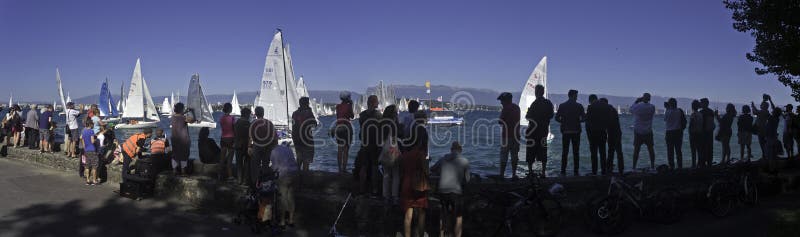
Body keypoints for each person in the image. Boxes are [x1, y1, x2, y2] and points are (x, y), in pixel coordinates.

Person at [431, 141, 469, 237]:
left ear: (451, 150)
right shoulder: (464, 161)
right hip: (456, 192)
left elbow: (432, 169)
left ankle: (442, 234)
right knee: (458, 217)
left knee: (443, 215)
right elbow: (467, 179)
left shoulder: (443, 158)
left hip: (443, 190)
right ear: (460, 150)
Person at [400, 112, 429, 237]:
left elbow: (402, 170)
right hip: (418, 185)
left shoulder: (405, 155)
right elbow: (425, 170)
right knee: (421, 213)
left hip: (406, 184)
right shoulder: (420, 155)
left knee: (408, 214)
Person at [524, 85, 554, 177]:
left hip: (533, 132)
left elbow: (528, 116)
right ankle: (543, 172)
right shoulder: (548, 103)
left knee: (530, 152)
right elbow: (551, 115)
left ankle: (530, 172)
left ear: (536, 92)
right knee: (543, 151)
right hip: (543, 131)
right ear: (543, 92)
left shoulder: (534, 103)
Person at [356, 95, 382, 196]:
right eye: (377, 102)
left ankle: (362, 188)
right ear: (374, 103)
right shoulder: (379, 115)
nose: (378, 103)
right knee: (375, 166)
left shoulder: (362, 115)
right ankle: (374, 189)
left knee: (364, 166)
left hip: (364, 143)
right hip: (375, 143)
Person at [270, 141, 299, 228]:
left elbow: (275, 167)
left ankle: (282, 221)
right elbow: (293, 161)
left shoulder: (273, 151)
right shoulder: (287, 149)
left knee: (282, 197)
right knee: (290, 197)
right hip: (293, 173)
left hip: (284, 175)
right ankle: (291, 220)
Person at [555, 89, 584, 176]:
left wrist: (563, 121)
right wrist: (578, 121)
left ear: (568, 95)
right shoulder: (579, 106)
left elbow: (556, 118)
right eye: (576, 95)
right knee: (576, 152)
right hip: (576, 131)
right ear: (574, 96)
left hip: (565, 131)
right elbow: (584, 118)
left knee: (565, 152)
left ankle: (563, 171)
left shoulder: (562, 105)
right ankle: (576, 171)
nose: (577, 97)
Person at [248, 106, 277, 189]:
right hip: (268, 146)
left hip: (257, 146)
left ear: (256, 114)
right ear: (263, 113)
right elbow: (274, 136)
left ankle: (255, 183)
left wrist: (249, 147)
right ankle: (265, 183)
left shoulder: (253, 123)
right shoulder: (269, 123)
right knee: (265, 165)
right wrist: (275, 147)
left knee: (255, 166)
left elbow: (250, 137)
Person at [380, 105, 401, 201]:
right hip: (393, 151)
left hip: (384, 151)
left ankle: (385, 195)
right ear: (393, 114)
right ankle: (394, 195)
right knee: (396, 173)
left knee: (386, 174)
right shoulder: (393, 123)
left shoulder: (381, 123)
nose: (397, 113)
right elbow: (395, 138)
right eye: (396, 112)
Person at [629, 93, 656, 171]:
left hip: (638, 132)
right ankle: (652, 166)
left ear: (643, 98)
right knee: (651, 150)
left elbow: (631, 110)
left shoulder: (638, 106)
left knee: (636, 150)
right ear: (649, 99)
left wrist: (637, 101)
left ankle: (634, 167)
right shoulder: (652, 107)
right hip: (648, 131)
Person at [498, 92, 521, 179]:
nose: (501, 103)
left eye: (502, 101)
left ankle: (501, 175)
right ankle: (514, 174)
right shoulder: (517, 108)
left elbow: (500, 121)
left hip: (506, 136)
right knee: (514, 156)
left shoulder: (506, 108)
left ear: (506, 100)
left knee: (504, 155)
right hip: (516, 136)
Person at [292, 97, 317, 171]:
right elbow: (314, 124)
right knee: (306, 160)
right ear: (307, 104)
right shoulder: (308, 113)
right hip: (306, 139)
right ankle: (305, 178)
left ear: (299, 103)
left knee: (299, 159)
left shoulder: (294, 113)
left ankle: (297, 176)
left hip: (296, 138)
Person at [585, 94, 608, 175]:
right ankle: (604, 170)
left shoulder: (590, 107)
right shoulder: (604, 106)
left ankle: (594, 171)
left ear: (591, 100)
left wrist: (588, 135)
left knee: (594, 153)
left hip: (593, 133)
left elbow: (587, 122)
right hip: (602, 132)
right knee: (603, 152)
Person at [171, 103, 194, 176]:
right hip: (183, 139)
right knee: (184, 154)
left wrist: (186, 111)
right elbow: (192, 120)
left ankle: (174, 170)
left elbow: (179, 115)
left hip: (174, 139)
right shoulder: (183, 118)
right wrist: (192, 112)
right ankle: (183, 171)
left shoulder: (173, 117)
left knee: (175, 154)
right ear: (181, 109)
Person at [602, 98, 624, 174]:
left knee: (611, 151)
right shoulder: (612, 109)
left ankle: (609, 168)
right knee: (618, 152)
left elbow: (608, 123)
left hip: (613, 134)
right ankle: (621, 169)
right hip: (617, 133)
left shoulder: (608, 111)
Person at [334, 92, 355, 173]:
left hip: (338, 128)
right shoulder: (349, 106)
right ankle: (344, 169)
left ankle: (339, 169)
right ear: (348, 98)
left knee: (339, 149)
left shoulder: (338, 106)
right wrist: (351, 105)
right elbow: (352, 116)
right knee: (346, 150)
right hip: (346, 128)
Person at [664, 98, 686, 169]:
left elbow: (665, 119)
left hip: (669, 132)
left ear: (670, 104)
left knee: (670, 151)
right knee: (678, 150)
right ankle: (680, 166)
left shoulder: (667, 111)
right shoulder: (680, 111)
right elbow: (684, 121)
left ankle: (671, 166)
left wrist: (667, 108)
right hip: (678, 132)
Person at [752, 94, 775, 160]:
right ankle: (765, 155)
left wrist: (753, 105)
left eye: (761, 105)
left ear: (763, 106)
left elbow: (754, 112)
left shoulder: (761, 112)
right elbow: (758, 110)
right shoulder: (767, 112)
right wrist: (766, 100)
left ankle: (764, 155)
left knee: (761, 142)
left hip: (760, 129)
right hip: (765, 128)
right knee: (764, 142)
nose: (760, 105)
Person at [234, 108, 253, 185]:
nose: (249, 116)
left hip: (238, 145)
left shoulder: (237, 122)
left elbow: (235, 134)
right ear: (246, 114)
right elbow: (250, 136)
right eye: (249, 114)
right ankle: (245, 181)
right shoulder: (248, 123)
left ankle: (239, 180)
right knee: (247, 163)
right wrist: (250, 146)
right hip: (246, 145)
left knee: (239, 164)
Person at [219, 103, 236, 181]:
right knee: (230, 158)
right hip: (231, 139)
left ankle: (220, 175)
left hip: (223, 139)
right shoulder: (232, 118)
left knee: (222, 159)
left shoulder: (221, 118)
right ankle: (230, 176)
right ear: (230, 109)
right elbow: (234, 129)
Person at [81, 120, 99, 185]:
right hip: (92, 150)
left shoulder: (83, 131)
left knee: (87, 166)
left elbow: (83, 142)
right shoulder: (91, 131)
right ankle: (94, 180)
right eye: (92, 124)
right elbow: (92, 141)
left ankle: (88, 180)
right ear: (90, 124)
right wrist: (96, 140)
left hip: (86, 150)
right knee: (94, 166)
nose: (93, 125)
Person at [699, 98, 716, 167]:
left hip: (703, 132)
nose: (700, 104)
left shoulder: (701, 112)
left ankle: (702, 162)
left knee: (702, 148)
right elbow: (712, 123)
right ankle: (709, 162)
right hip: (710, 132)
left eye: (701, 103)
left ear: (704, 104)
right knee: (710, 147)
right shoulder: (711, 112)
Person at [765, 107, 782, 172]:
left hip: (770, 138)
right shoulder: (777, 119)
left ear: (774, 112)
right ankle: (774, 169)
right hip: (774, 137)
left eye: (773, 110)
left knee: (770, 155)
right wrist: (770, 100)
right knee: (774, 155)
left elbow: (766, 113)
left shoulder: (771, 118)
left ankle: (771, 169)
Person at [689, 100, 703, 168]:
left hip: (693, 134)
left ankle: (693, 164)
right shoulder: (700, 114)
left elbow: (691, 124)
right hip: (700, 134)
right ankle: (699, 164)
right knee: (699, 149)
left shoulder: (693, 114)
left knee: (693, 150)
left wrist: (690, 131)